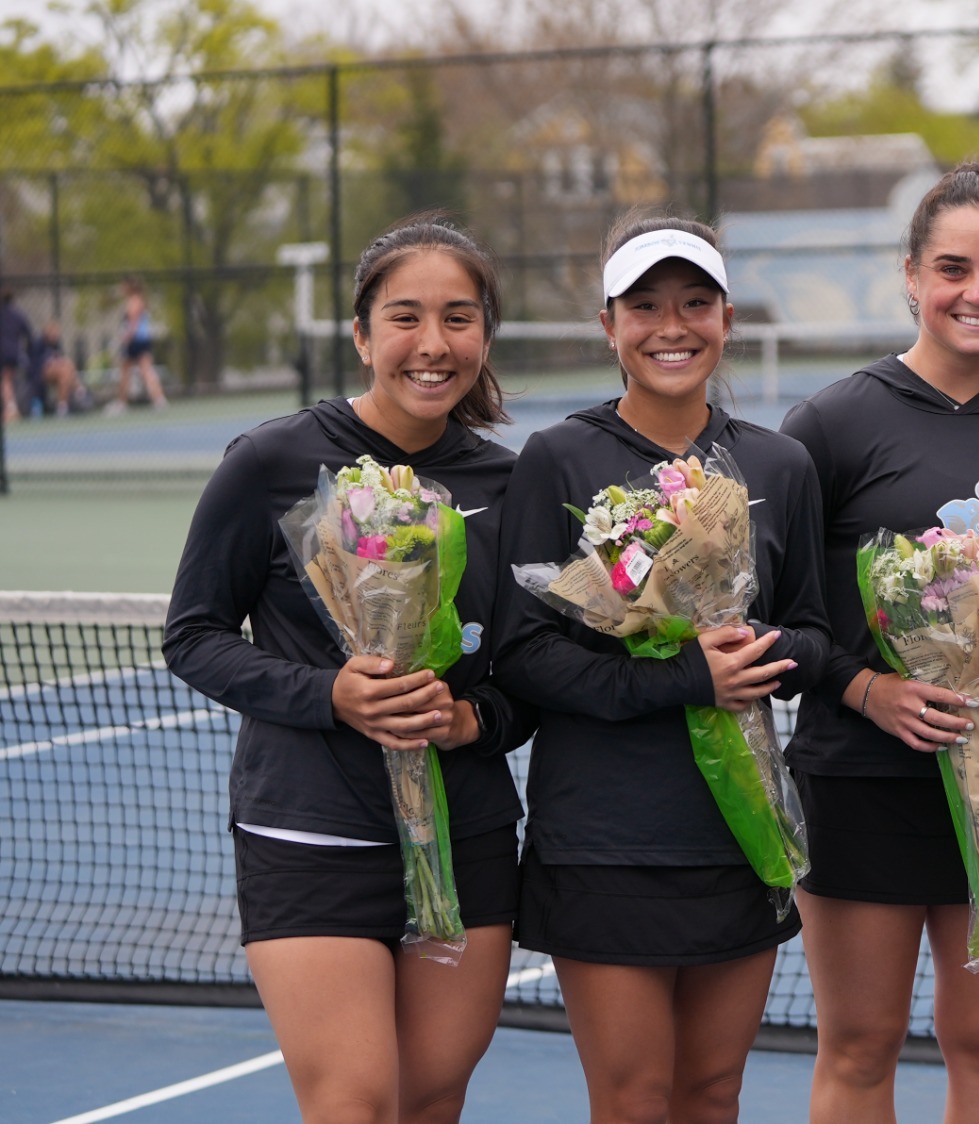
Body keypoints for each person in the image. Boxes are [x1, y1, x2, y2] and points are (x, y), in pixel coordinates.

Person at [162, 215, 536, 1123]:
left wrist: (471, 721)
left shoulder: (510, 483)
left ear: (484, 338)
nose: (432, 344)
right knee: (355, 1104)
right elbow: (194, 634)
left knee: (432, 1096)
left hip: (467, 839)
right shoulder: (270, 462)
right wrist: (331, 695)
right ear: (363, 334)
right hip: (311, 840)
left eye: (459, 318)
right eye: (405, 318)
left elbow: (530, 675)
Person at [492, 212, 831, 1124]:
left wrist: (760, 654)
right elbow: (523, 655)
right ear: (609, 325)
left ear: (725, 317)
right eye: (644, 305)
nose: (670, 325)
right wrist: (686, 678)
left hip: (743, 834)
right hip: (603, 840)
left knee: (713, 1096)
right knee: (636, 1100)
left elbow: (816, 635)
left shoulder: (781, 463)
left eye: (694, 302)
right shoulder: (558, 459)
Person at [779, 161, 979, 1124]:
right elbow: (787, 613)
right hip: (860, 781)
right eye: (953, 267)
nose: (977, 292)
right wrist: (867, 691)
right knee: (861, 1045)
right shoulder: (829, 423)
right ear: (911, 275)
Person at [109, 275, 168, 413]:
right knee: (130, 371)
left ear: (129, 287)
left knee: (143, 371)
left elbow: (133, 324)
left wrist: (125, 339)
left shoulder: (134, 301)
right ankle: (156, 400)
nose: (121, 288)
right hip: (139, 340)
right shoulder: (135, 300)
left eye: (123, 286)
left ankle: (157, 399)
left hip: (136, 341)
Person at [26, 319, 84, 417]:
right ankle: (78, 389)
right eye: (52, 331)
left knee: (66, 369)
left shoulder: (56, 344)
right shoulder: (39, 343)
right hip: (41, 373)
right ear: (46, 331)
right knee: (66, 366)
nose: (55, 334)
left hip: (58, 373)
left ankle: (63, 406)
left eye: (56, 331)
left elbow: (60, 358)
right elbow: (37, 364)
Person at [0, 289, 30, 423]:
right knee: (8, 379)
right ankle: (11, 408)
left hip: (4, 353)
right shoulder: (18, 314)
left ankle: (11, 408)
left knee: (6, 380)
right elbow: (29, 334)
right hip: (13, 352)